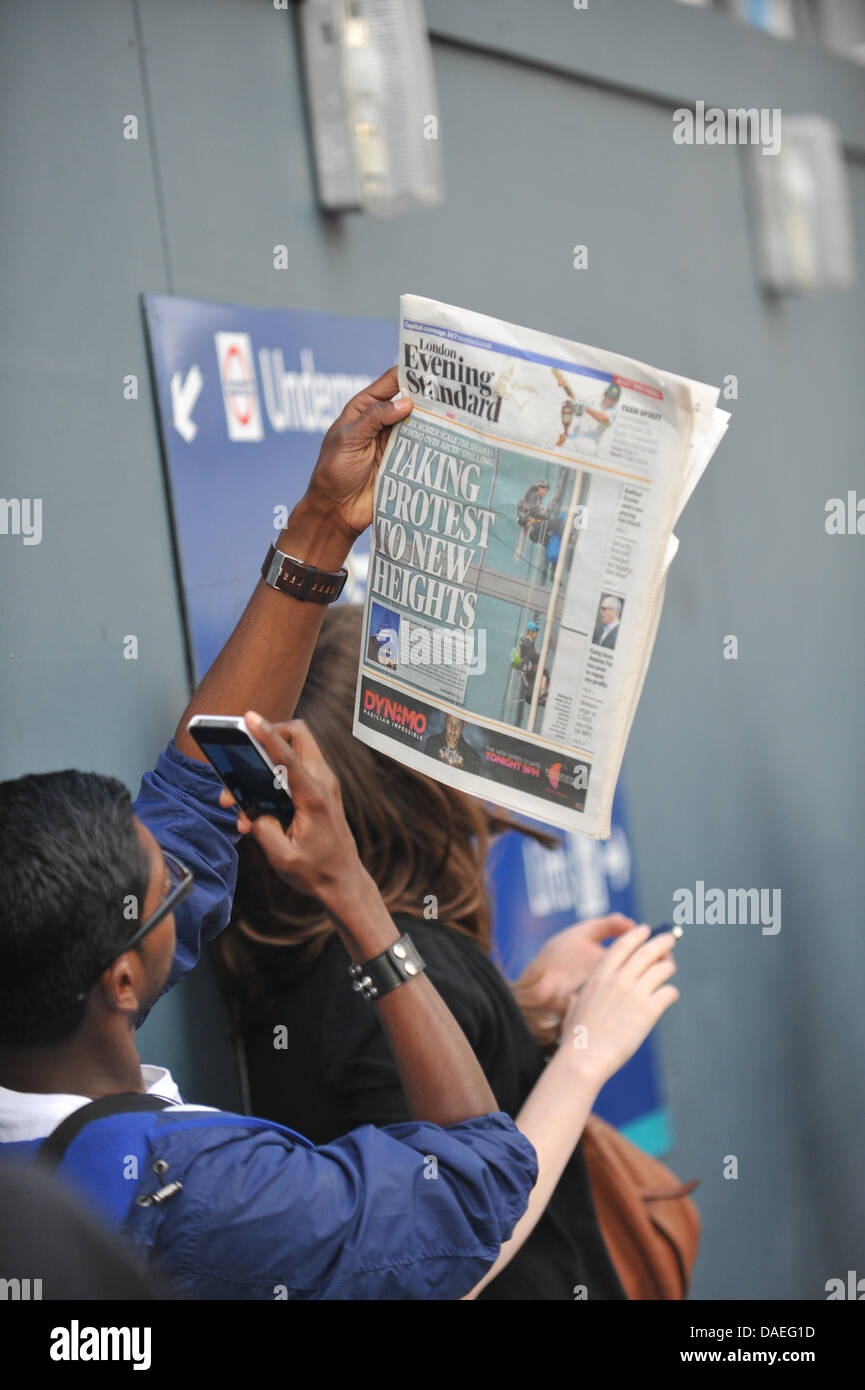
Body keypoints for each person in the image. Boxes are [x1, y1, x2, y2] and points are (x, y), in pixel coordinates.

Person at [0, 368, 540, 1300]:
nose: (191, 866)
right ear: (122, 979)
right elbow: (478, 1181)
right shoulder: (207, 1198)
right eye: (168, 884)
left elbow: (190, 800)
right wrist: (354, 894)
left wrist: (324, 525)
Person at [215, 604, 681, 1300]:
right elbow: (438, 1263)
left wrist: (521, 1009)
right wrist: (582, 1059)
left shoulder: (324, 958)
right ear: (401, 777)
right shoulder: (371, 982)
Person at [514, 480, 550, 560]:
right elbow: (534, 511)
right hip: (526, 521)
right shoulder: (534, 496)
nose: (545, 493)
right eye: (545, 490)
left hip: (526, 521)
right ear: (540, 488)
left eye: (547, 491)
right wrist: (545, 515)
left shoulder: (533, 496)